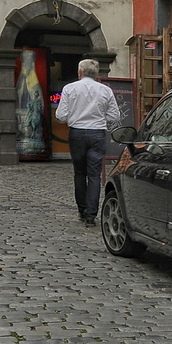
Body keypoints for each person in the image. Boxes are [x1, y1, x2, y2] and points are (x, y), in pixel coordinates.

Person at [54, 59, 120, 225]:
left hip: (77, 133)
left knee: (79, 173)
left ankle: (82, 210)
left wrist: (75, 115)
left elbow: (60, 116)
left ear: (80, 72)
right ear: (96, 74)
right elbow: (114, 116)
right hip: (97, 134)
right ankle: (91, 215)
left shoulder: (69, 88)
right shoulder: (105, 90)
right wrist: (100, 117)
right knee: (94, 175)